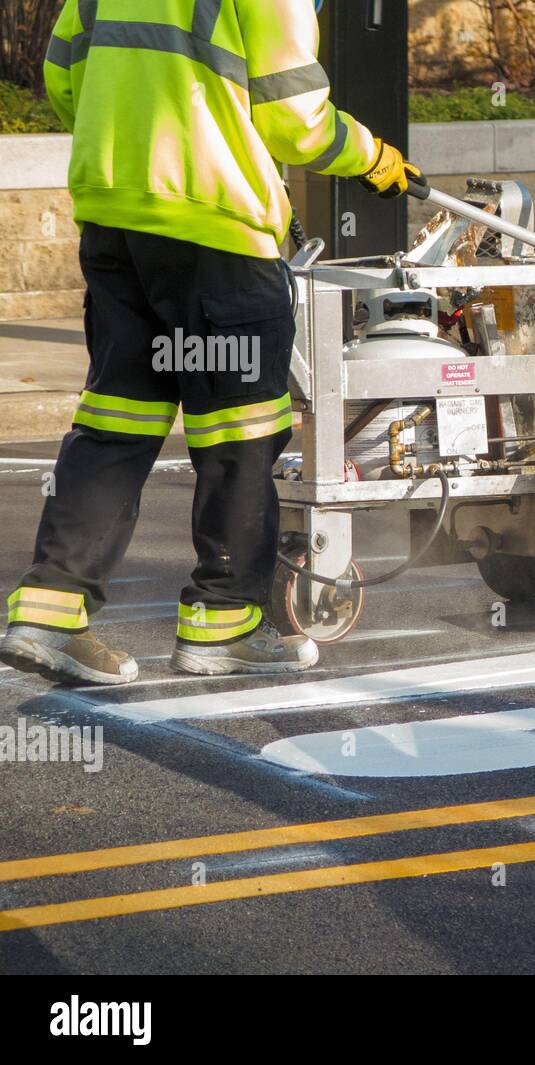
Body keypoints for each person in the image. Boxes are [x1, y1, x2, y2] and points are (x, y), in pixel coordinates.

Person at [0, 0, 422, 686]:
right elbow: (296, 119)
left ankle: (47, 615)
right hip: (216, 231)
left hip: (115, 222)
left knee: (116, 421)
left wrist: (135, 146)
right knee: (240, 431)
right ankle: (223, 625)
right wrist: (372, 157)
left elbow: (60, 79)